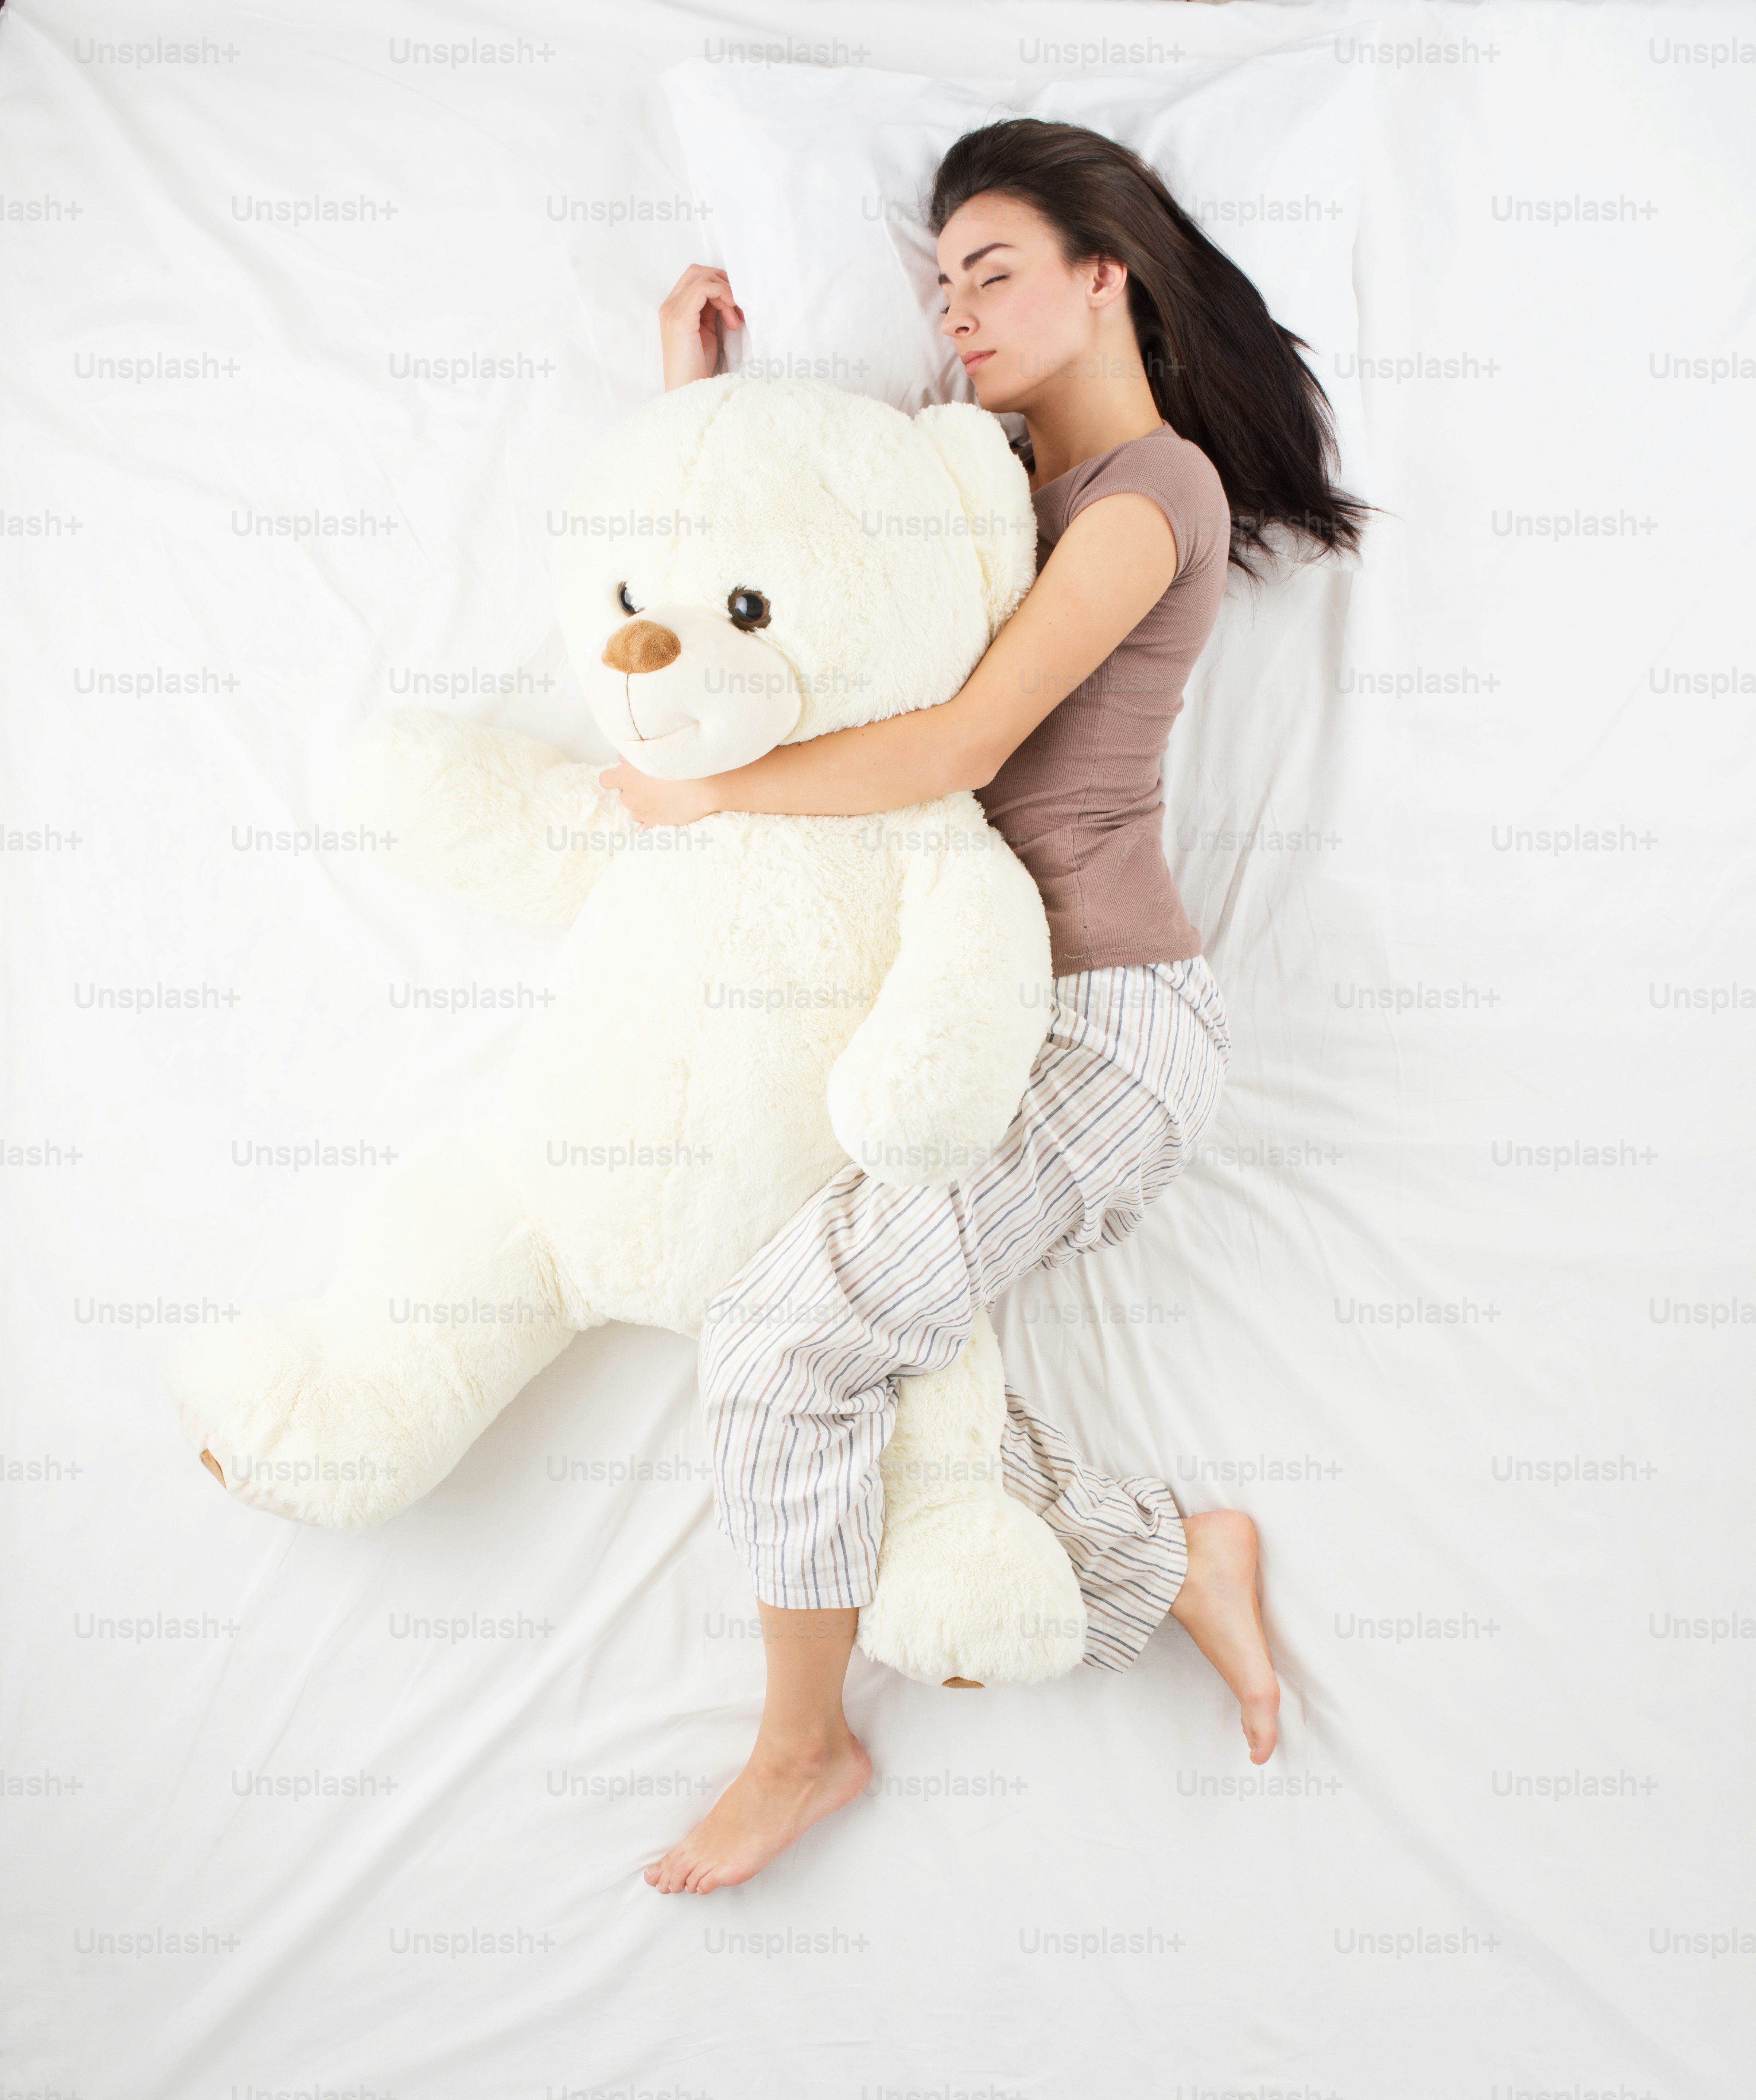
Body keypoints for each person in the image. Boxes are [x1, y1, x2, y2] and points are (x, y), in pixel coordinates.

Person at [605, 119, 1370, 1895]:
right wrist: (690, 402)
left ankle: (802, 1748)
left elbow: (960, 743)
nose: (956, 310)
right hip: (994, 1021)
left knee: (787, 1345)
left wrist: (710, 794)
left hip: (1102, 1027)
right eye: (939, 281)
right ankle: (1173, 1564)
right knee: (896, 1364)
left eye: (994, 272)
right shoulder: (987, 492)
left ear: (1109, 273)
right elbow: (808, 580)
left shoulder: (1148, 491)